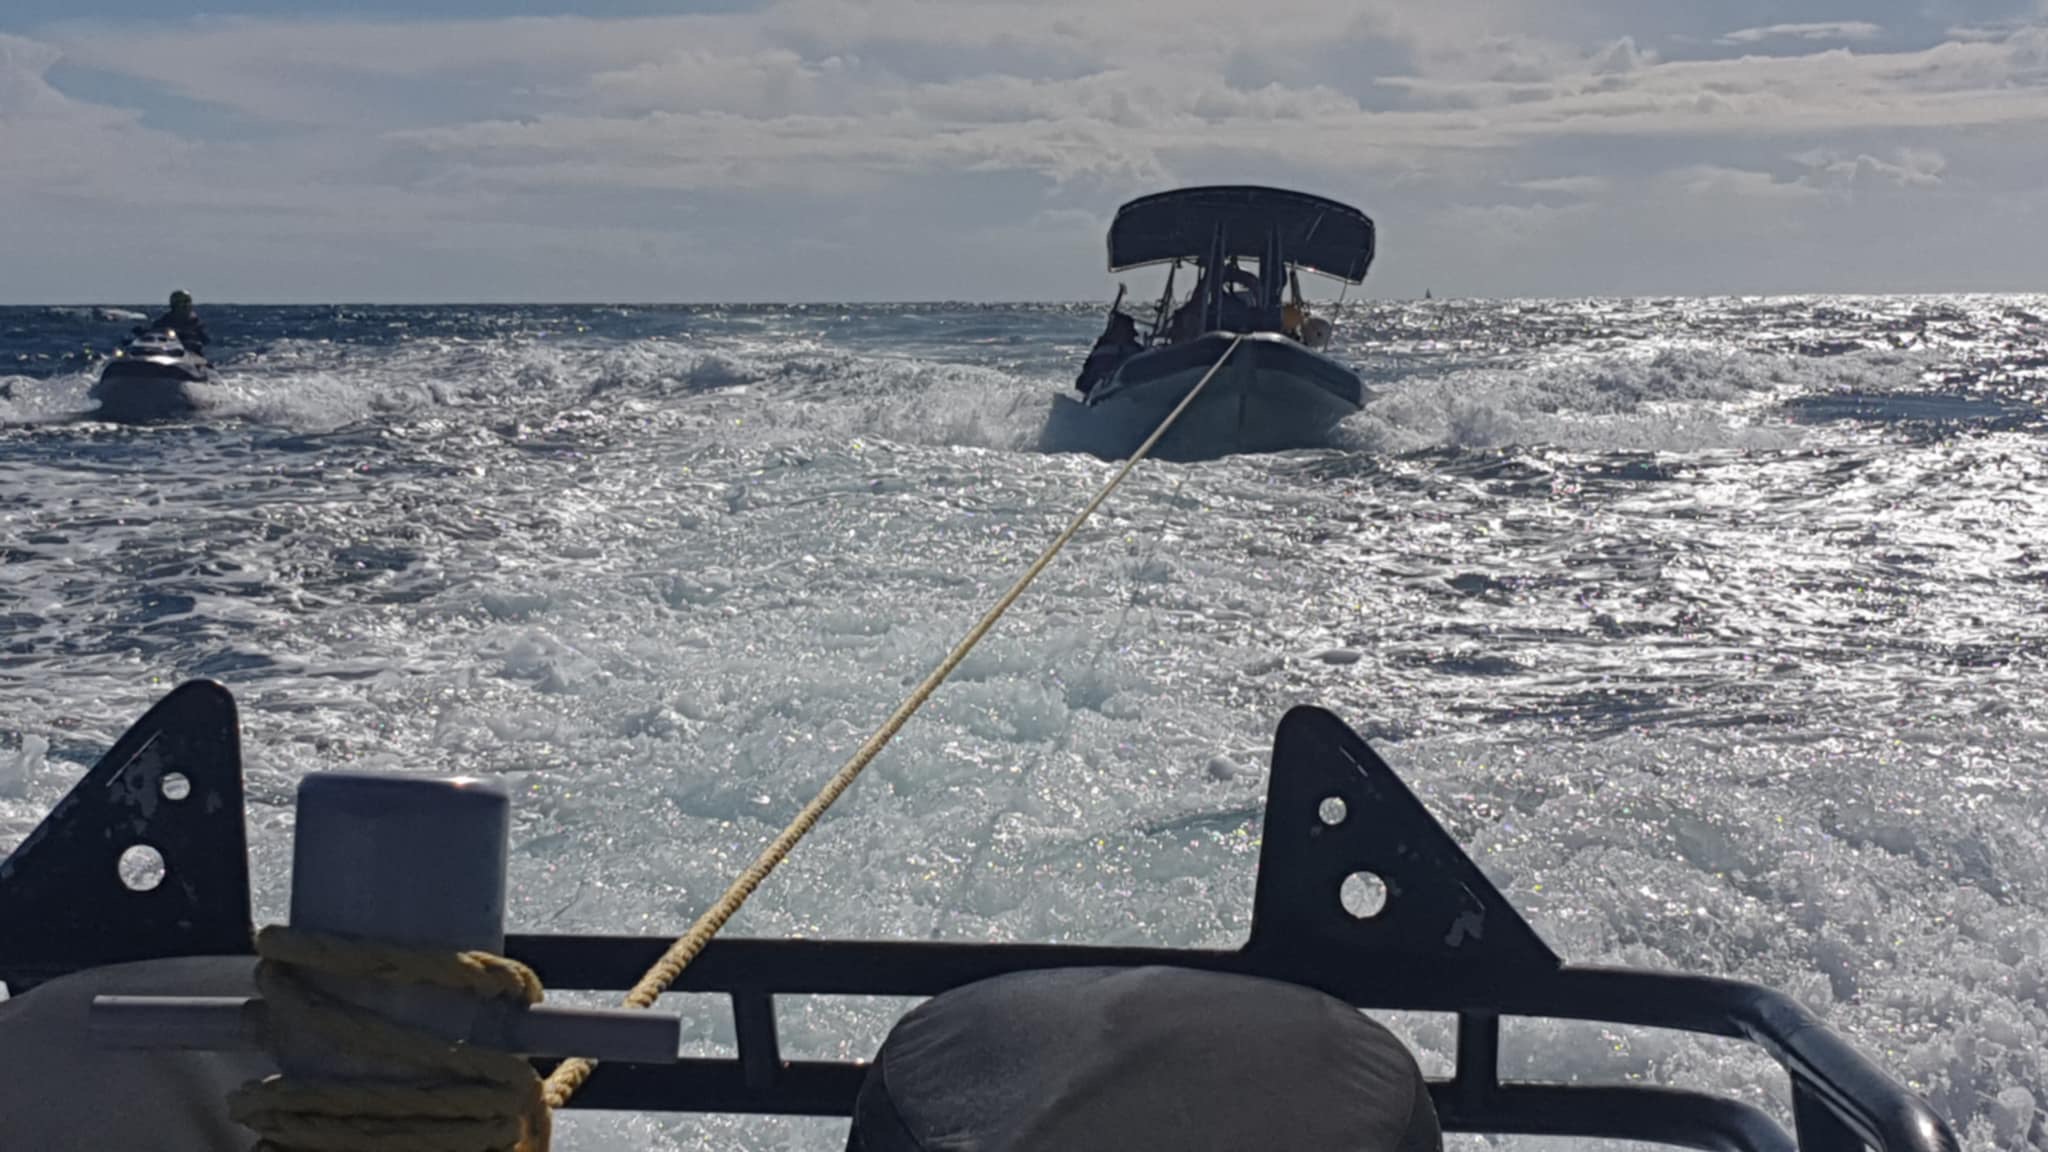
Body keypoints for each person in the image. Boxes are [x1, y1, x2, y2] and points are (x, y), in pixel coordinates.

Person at [136, 290, 210, 352]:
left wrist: (191, 338)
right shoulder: (165, 320)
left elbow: (206, 340)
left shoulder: (196, 322)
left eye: (187, 303)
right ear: (174, 305)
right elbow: (155, 330)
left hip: (190, 355)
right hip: (167, 352)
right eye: (181, 304)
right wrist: (143, 332)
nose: (185, 307)